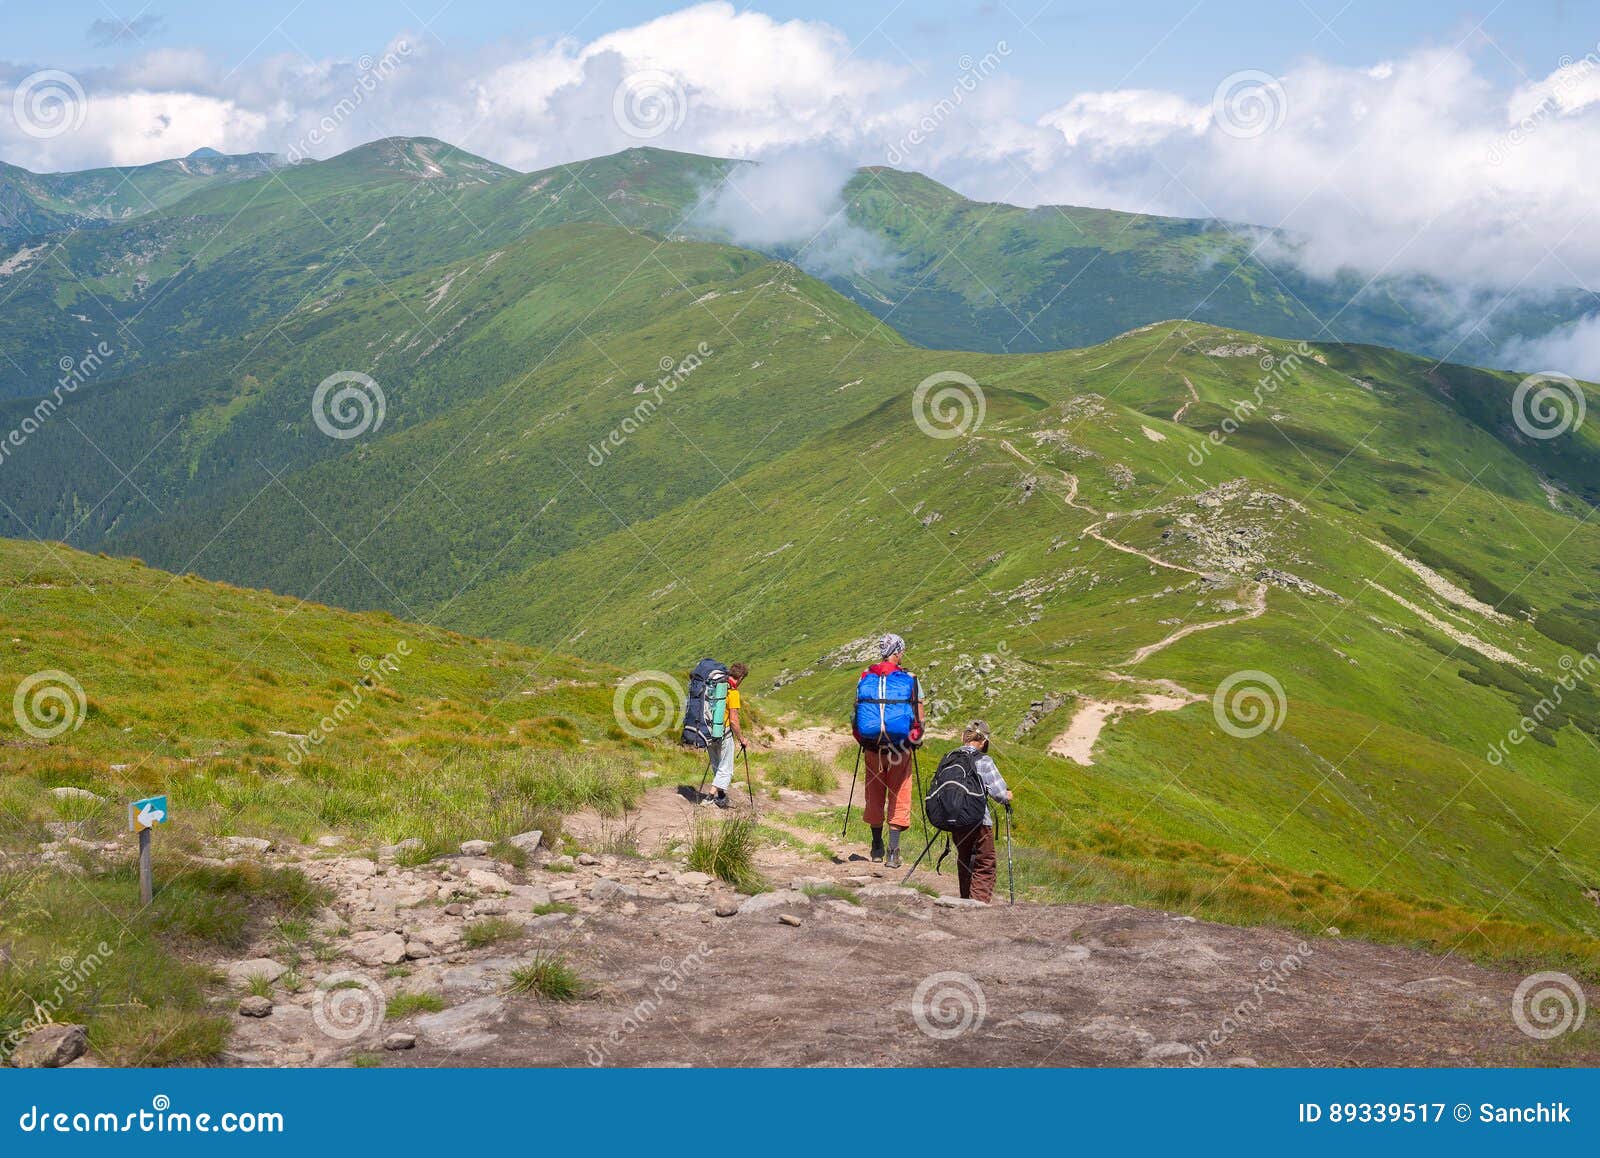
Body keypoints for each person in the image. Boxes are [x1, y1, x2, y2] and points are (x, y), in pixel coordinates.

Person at [853, 633, 923, 867]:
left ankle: (876, 848)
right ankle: (893, 852)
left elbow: (856, 716)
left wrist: (863, 741)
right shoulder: (910, 679)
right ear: (897, 652)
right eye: (901, 651)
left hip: (873, 749)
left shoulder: (865, 677)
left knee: (874, 794)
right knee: (899, 794)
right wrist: (915, 741)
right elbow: (918, 719)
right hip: (899, 749)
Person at [952, 720, 1012, 903]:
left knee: (964, 859)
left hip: (956, 819)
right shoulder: (984, 761)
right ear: (984, 741)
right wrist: (1008, 795)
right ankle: (978, 905)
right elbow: (1000, 794)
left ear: (964, 737)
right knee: (984, 862)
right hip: (979, 821)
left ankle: (964, 900)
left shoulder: (951, 757)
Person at [702, 662, 749, 809]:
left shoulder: (714, 686)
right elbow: (734, 720)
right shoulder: (733, 693)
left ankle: (721, 796)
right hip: (724, 734)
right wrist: (741, 739)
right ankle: (710, 797)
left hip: (708, 731)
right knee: (726, 768)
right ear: (740, 677)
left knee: (717, 764)